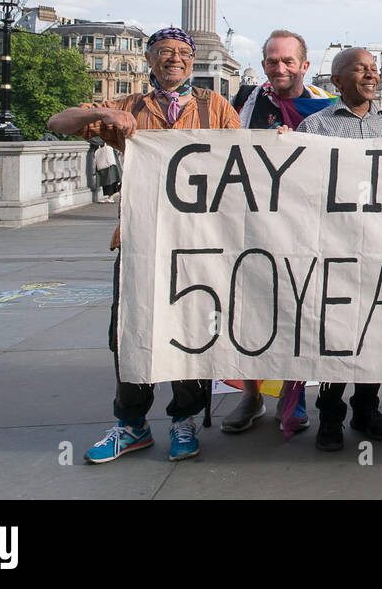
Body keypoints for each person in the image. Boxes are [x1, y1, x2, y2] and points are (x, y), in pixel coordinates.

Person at [47, 27, 242, 464]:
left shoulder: (216, 107)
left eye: (183, 53)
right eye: (165, 53)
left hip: (198, 242)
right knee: (130, 329)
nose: (175, 59)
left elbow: (244, 156)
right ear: (149, 60)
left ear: (192, 61)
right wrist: (104, 115)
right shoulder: (127, 106)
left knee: (192, 329)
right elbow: (57, 122)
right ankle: (130, 424)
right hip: (140, 237)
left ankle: (183, 419)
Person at [298, 48, 382, 451]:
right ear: (337, 81)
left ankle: (367, 408)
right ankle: (330, 414)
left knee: (375, 331)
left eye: (374, 69)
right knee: (336, 332)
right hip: (334, 246)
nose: (371, 75)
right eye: (360, 69)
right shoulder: (315, 126)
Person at [222, 30, 336, 435]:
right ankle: (250, 395)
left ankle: (295, 395)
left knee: (298, 309)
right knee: (248, 308)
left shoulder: (327, 108)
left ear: (305, 65)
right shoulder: (247, 102)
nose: (280, 68)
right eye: (272, 61)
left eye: (288, 61)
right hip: (251, 220)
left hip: (304, 223)